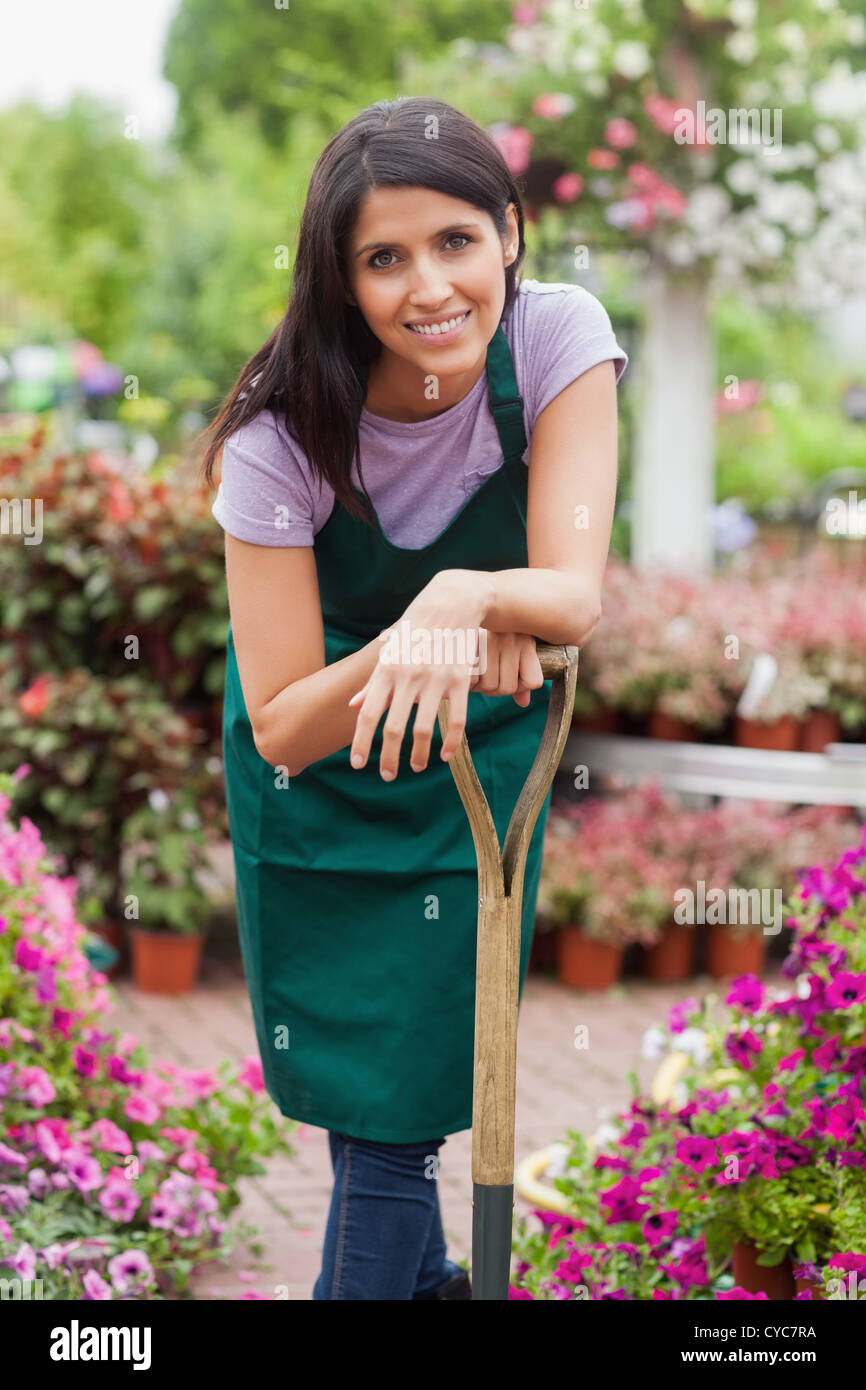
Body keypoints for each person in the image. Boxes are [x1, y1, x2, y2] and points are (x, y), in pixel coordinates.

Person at [200, 96, 628, 1300]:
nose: (429, 287)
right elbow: (284, 717)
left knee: (401, 1113)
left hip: (472, 774)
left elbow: (570, 597)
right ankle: (431, 1283)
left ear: (509, 231)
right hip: (318, 786)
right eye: (382, 259)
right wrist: (442, 630)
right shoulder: (278, 436)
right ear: (340, 283)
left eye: (454, 241)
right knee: (375, 1114)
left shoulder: (555, 339)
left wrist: (465, 597)